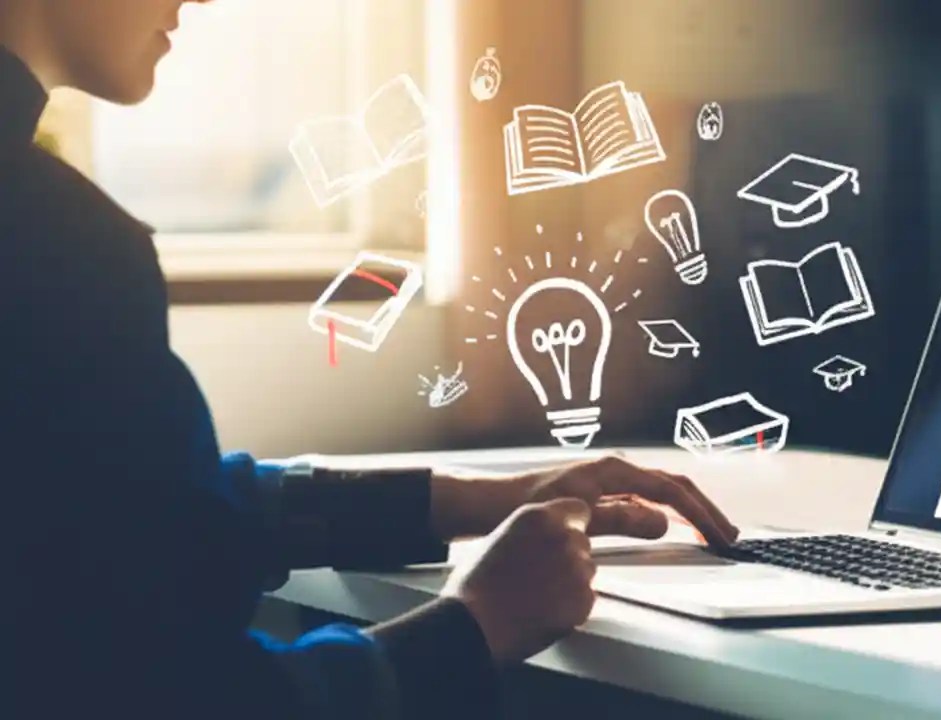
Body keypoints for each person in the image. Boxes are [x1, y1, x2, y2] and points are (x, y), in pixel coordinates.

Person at [0, 1, 739, 718]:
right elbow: (180, 698)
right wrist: (474, 624)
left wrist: (477, 498)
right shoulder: (61, 254)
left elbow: (113, 517)